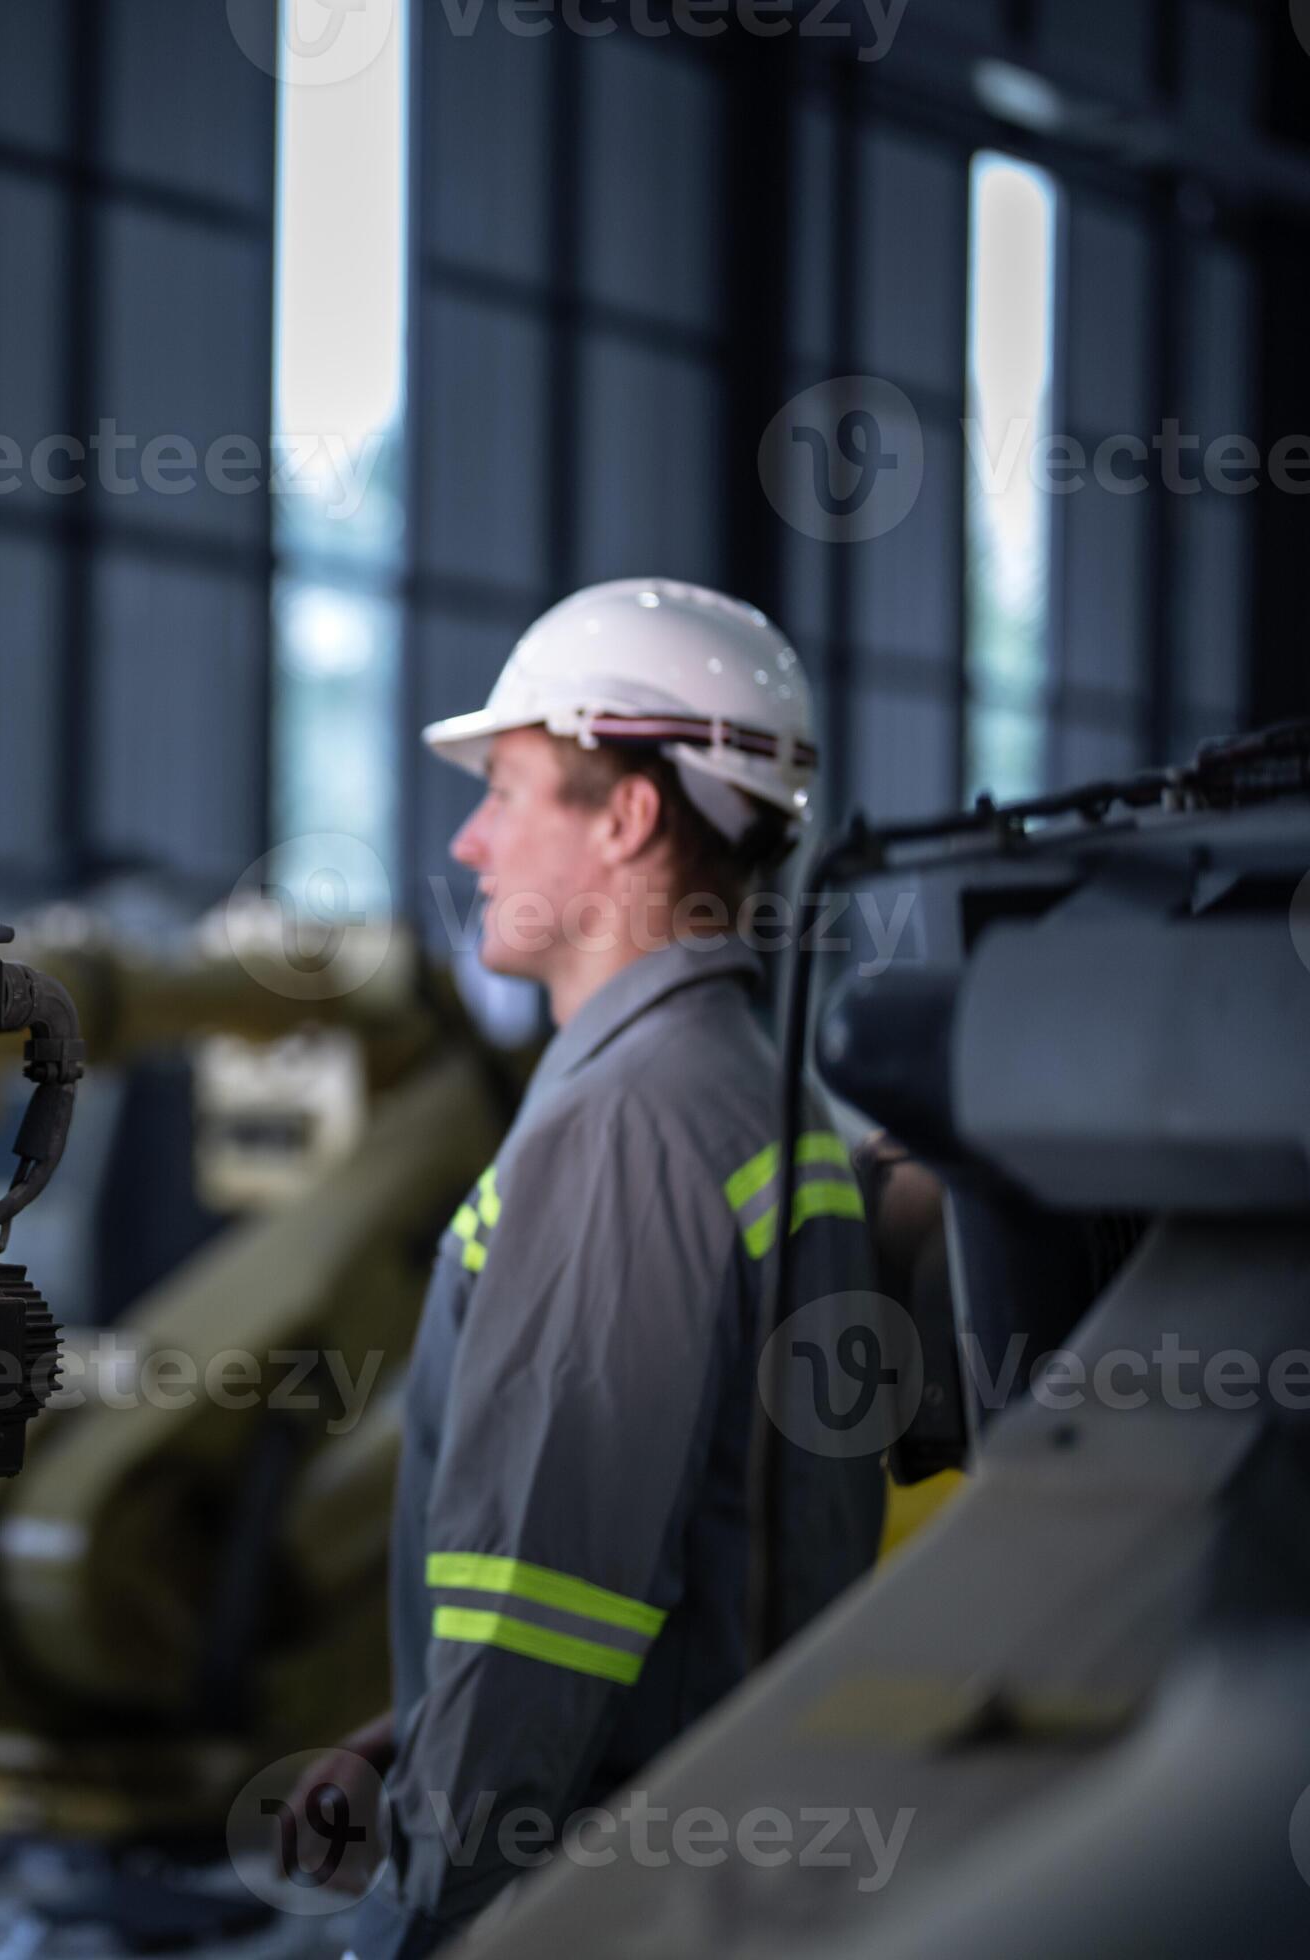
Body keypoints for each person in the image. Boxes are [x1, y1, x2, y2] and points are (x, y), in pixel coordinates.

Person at [314, 578, 887, 1956]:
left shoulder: (624, 1124)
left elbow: (543, 1604)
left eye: (508, 791)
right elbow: (677, 1546)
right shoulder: (740, 1088)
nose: (467, 841)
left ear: (628, 818)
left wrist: (416, 1909)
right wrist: (414, 1733)